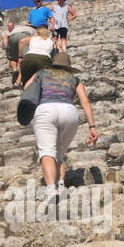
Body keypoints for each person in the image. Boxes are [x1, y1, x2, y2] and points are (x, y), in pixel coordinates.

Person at [22, 52, 97, 197]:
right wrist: (92, 126)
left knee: (47, 151)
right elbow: (85, 101)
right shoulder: (75, 79)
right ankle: (60, 183)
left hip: (46, 109)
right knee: (59, 153)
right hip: (69, 112)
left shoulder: (42, 73)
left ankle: (51, 188)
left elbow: (27, 87)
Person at [17, 13, 55, 86]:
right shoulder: (50, 40)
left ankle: (21, 85)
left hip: (29, 58)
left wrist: (20, 57)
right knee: (43, 82)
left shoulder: (33, 38)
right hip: (44, 59)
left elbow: (21, 41)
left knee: (26, 78)